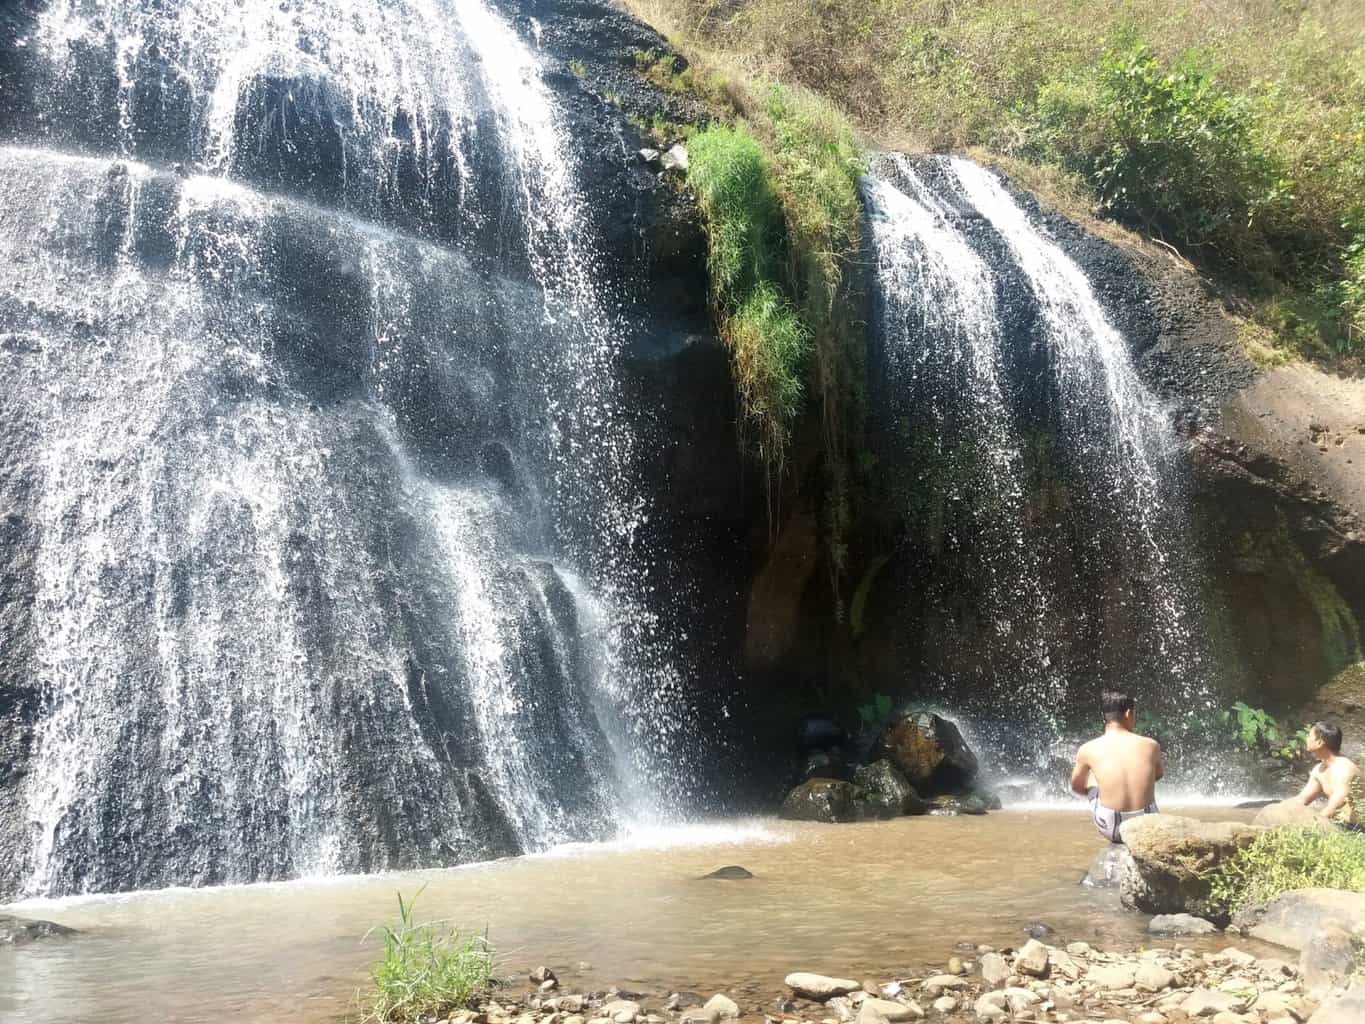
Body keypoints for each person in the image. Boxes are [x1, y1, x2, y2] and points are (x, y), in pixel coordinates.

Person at [1069, 691, 1164, 843]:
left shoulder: (1087, 748)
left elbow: (1077, 787)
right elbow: (1158, 775)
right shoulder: (1151, 745)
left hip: (1112, 828)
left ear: (1105, 717)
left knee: (1093, 778)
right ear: (1128, 714)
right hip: (1147, 826)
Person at [1298, 721, 1363, 832]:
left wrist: (1306, 827)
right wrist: (1278, 809)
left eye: (1309, 736)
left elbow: (1333, 808)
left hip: (1357, 829)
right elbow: (1301, 800)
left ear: (1319, 742)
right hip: (1338, 825)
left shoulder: (1344, 769)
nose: (1306, 739)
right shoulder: (1319, 769)